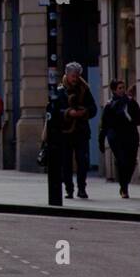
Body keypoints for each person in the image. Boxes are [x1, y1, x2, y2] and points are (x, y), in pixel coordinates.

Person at [56, 61, 98, 198]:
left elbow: (93, 109)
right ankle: (69, 188)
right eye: (73, 76)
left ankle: (82, 188)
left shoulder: (84, 90)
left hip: (81, 131)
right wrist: (68, 113)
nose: (75, 79)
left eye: (77, 76)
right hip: (65, 132)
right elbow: (55, 111)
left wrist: (84, 112)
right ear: (67, 75)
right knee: (66, 162)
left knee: (83, 161)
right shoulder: (60, 91)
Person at [99, 78, 140, 198]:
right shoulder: (109, 105)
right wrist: (101, 142)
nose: (122, 90)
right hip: (116, 137)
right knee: (122, 161)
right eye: (119, 88)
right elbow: (104, 125)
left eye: (123, 87)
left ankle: (125, 182)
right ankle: (124, 187)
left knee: (131, 162)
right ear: (113, 90)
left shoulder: (131, 102)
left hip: (131, 135)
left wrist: (131, 119)